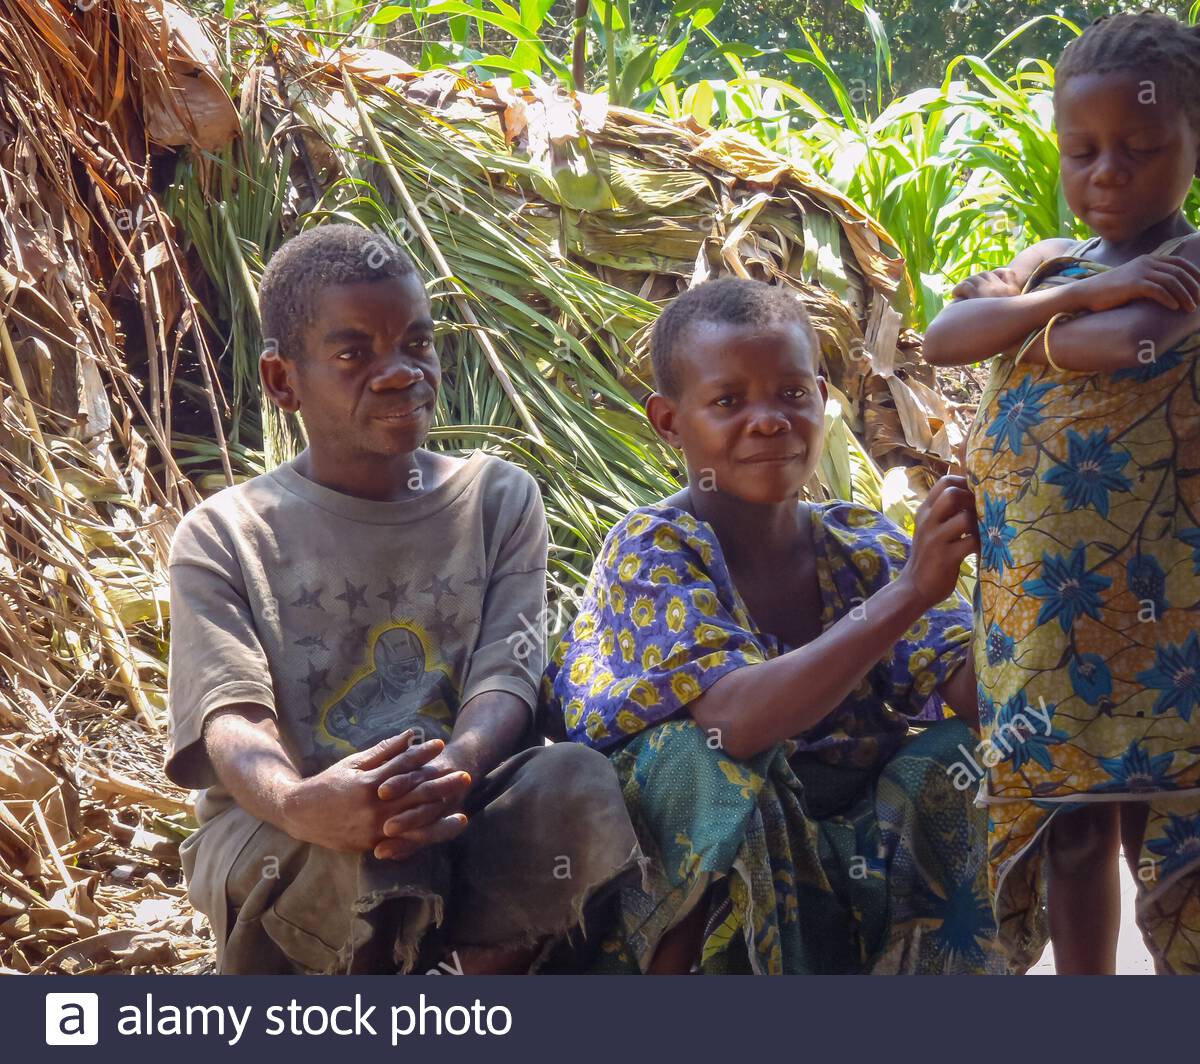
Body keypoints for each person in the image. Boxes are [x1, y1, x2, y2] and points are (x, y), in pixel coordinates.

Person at [924, 12, 1200, 975]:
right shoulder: (1055, 269)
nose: (1106, 174)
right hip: (1054, 613)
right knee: (1074, 825)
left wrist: (1044, 313)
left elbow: (1127, 343)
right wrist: (1062, 295)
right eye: (1080, 151)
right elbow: (940, 335)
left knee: (1179, 836)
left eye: (1138, 149)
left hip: (1181, 613)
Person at [164, 223, 639, 974]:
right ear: (282, 381)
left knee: (572, 778)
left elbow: (505, 673)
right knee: (376, 848)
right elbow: (231, 720)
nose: (399, 374)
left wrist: (451, 771)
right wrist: (299, 802)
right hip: (288, 832)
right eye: (355, 354)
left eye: (416, 344)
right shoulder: (226, 534)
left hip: (456, 798)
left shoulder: (497, 499)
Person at [542, 276, 1009, 974]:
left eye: (792, 394)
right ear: (669, 423)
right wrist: (912, 590)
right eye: (728, 401)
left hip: (840, 845)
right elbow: (738, 720)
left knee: (955, 757)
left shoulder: (860, 543)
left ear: (823, 401)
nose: (768, 421)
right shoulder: (654, 547)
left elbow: (982, 698)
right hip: (693, 867)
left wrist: (1014, 547)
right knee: (706, 767)